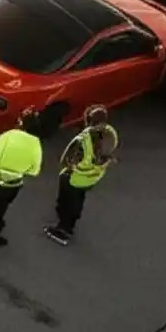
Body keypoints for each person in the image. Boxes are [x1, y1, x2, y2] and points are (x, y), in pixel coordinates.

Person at [45, 105, 119, 246]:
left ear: (89, 121)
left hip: (76, 177)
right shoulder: (111, 134)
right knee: (79, 197)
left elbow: (66, 160)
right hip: (93, 176)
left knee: (68, 200)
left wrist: (70, 167)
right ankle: (73, 217)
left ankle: (64, 230)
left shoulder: (83, 141)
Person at [0, 109, 44, 250]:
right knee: (0, 210)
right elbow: (34, 170)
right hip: (14, 184)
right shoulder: (35, 144)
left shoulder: (7, 135)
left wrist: (3, 169)